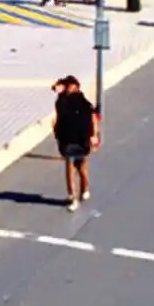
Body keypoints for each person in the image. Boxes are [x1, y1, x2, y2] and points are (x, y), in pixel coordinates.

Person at [52, 75, 97, 211]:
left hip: (80, 139)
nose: (70, 89)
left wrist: (94, 135)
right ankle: (75, 196)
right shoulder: (63, 101)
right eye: (68, 86)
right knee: (71, 168)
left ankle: (83, 190)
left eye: (72, 86)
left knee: (80, 167)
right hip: (70, 139)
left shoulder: (80, 102)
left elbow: (93, 118)